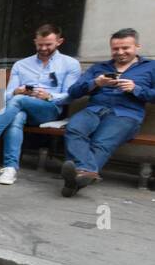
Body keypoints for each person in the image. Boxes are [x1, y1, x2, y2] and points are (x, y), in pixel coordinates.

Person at [0, 24, 82, 184]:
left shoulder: (70, 64)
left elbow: (70, 95)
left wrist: (49, 96)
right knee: (17, 116)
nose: (43, 48)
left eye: (48, 44)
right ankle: (10, 169)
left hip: (49, 110)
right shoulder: (21, 65)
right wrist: (16, 92)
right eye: (40, 44)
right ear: (35, 41)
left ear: (59, 42)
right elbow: (7, 95)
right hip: (19, 108)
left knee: (18, 103)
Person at [58, 28, 154, 196]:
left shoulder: (151, 67)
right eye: (115, 49)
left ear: (137, 47)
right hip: (95, 109)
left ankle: (73, 182)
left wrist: (136, 89)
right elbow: (73, 92)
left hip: (126, 114)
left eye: (125, 48)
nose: (120, 52)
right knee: (74, 128)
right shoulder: (99, 68)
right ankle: (85, 173)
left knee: (101, 142)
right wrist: (95, 83)